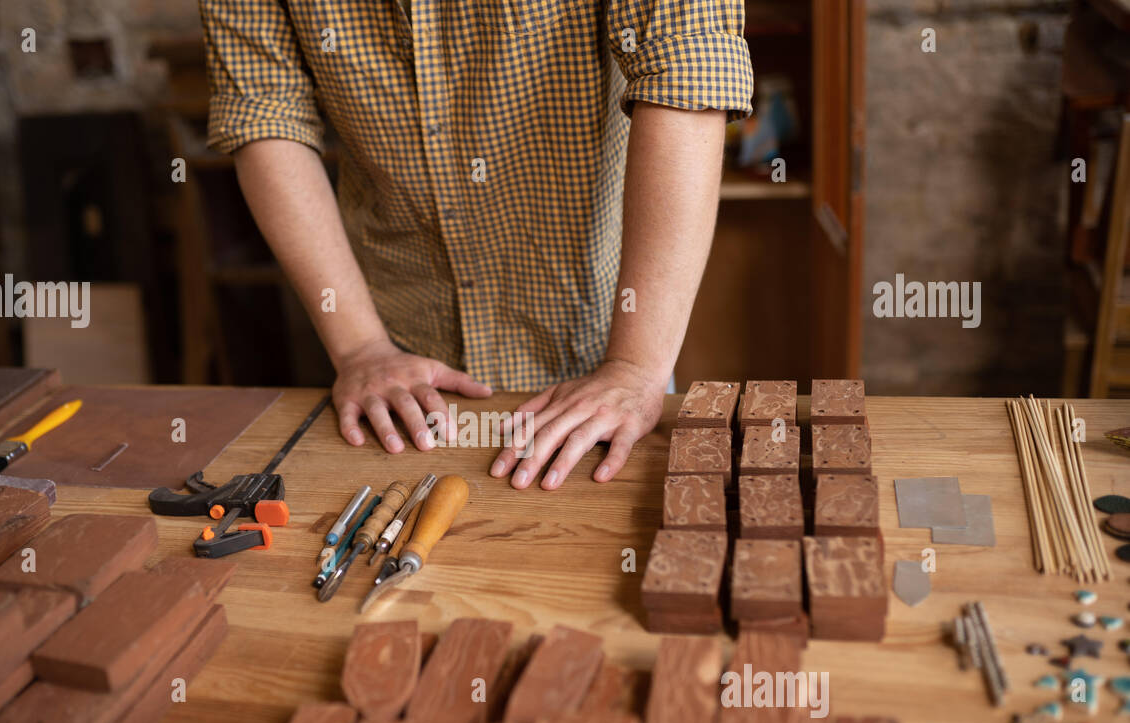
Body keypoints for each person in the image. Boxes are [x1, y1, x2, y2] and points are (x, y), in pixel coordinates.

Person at [201, 0, 752, 489]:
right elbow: (265, 112)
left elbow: (689, 77)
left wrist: (635, 366)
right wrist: (360, 348)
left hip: (602, 342)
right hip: (396, 356)